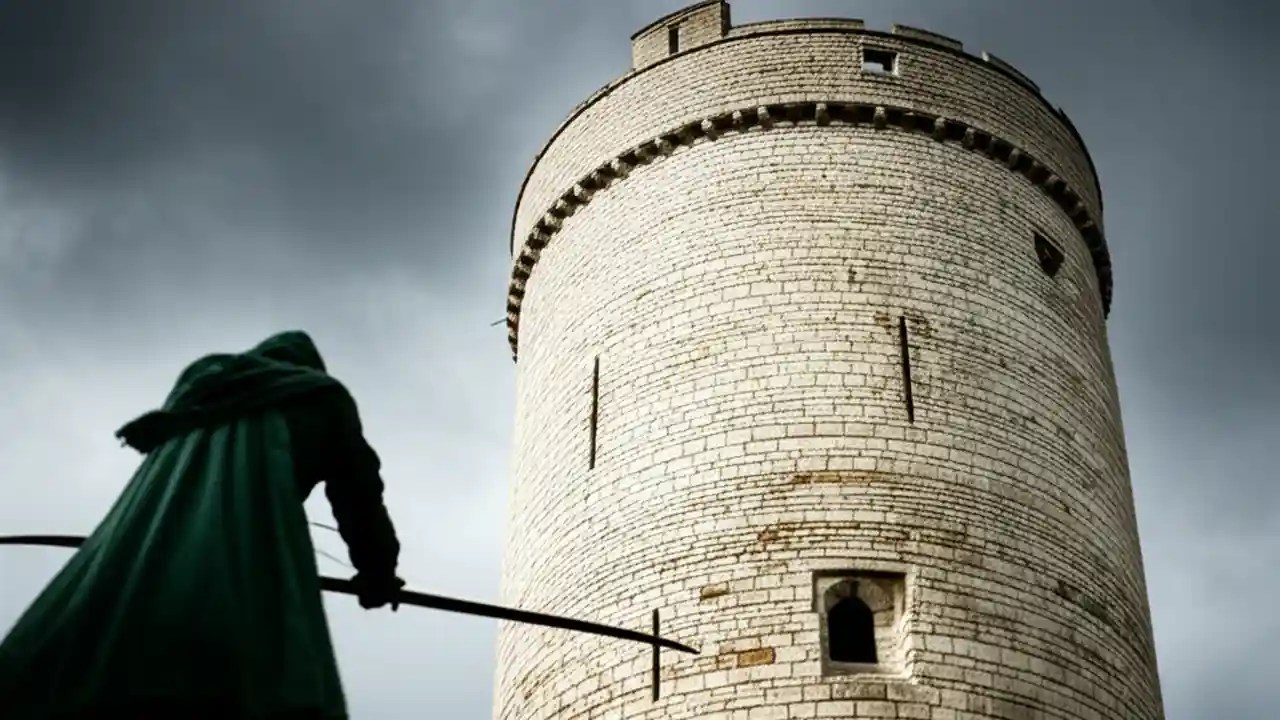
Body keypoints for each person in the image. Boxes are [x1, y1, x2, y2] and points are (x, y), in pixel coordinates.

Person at [0, 330, 402, 719]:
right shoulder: (322, 395)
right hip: (248, 554)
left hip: (136, 548)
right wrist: (377, 571)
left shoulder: (201, 384)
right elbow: (358, 494)